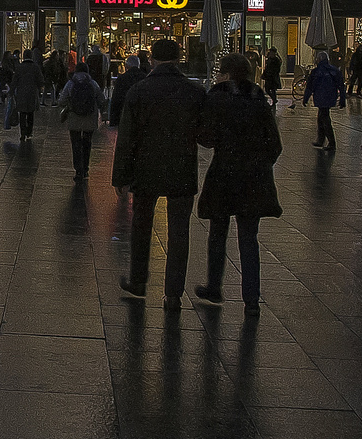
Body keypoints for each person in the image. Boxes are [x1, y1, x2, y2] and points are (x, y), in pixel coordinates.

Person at [113, 39, 207, 309]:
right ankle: (174, 293)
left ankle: (139, 281)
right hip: (182, 168)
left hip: (146, 168)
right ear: (179, 58)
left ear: (151, 59)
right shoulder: (194, 91)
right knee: (179, 231)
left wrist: (120, 175)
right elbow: (206, 134)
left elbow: (126, 136)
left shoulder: (139, 90)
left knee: (141, 224)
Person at [194, 53, 282, 317]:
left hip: (224, 174)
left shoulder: (217, 98)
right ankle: (251, 298)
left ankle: (214, 286)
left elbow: (205, 137)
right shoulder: (258, 100)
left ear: (227, 74)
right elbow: (275, 145)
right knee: (248, 238)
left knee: (218, 233)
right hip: (255, 178)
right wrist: (259, 163)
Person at [57, 62, 108, 178]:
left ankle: (78, 170)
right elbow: (101, 99)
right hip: (90, 118)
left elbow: (61, 101)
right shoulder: (93, 83)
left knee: (75, 144)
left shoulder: (70, 83)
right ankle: (85, 168)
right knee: (87, 143)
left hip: (74, 118)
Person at [301, 49, 343, 151]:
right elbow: (341, 86)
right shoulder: (334, 70)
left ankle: (331, 142)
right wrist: (342, 98)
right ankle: (321, 140)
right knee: (322, 117)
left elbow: (310, 86)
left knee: (324, 119)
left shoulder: (316, 71)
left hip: (321, 97)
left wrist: (305, 98)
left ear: (319, 59)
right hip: (330, 96)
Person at [12, 50, 43, 140]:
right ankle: (29, 132)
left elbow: (14, 80)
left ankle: (22, 132)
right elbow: (40, 80)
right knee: (30, 113)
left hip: (21, 93)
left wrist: (12, 91)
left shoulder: (19, 67)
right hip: (32, 93)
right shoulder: (35, 67)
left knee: (22, 113)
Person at [108, 55, 145, 129]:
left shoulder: (122, 79)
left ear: (127, 65)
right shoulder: (145, 78)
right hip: (141, 114)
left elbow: (116, 99)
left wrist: (113, 120)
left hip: (125, 113)